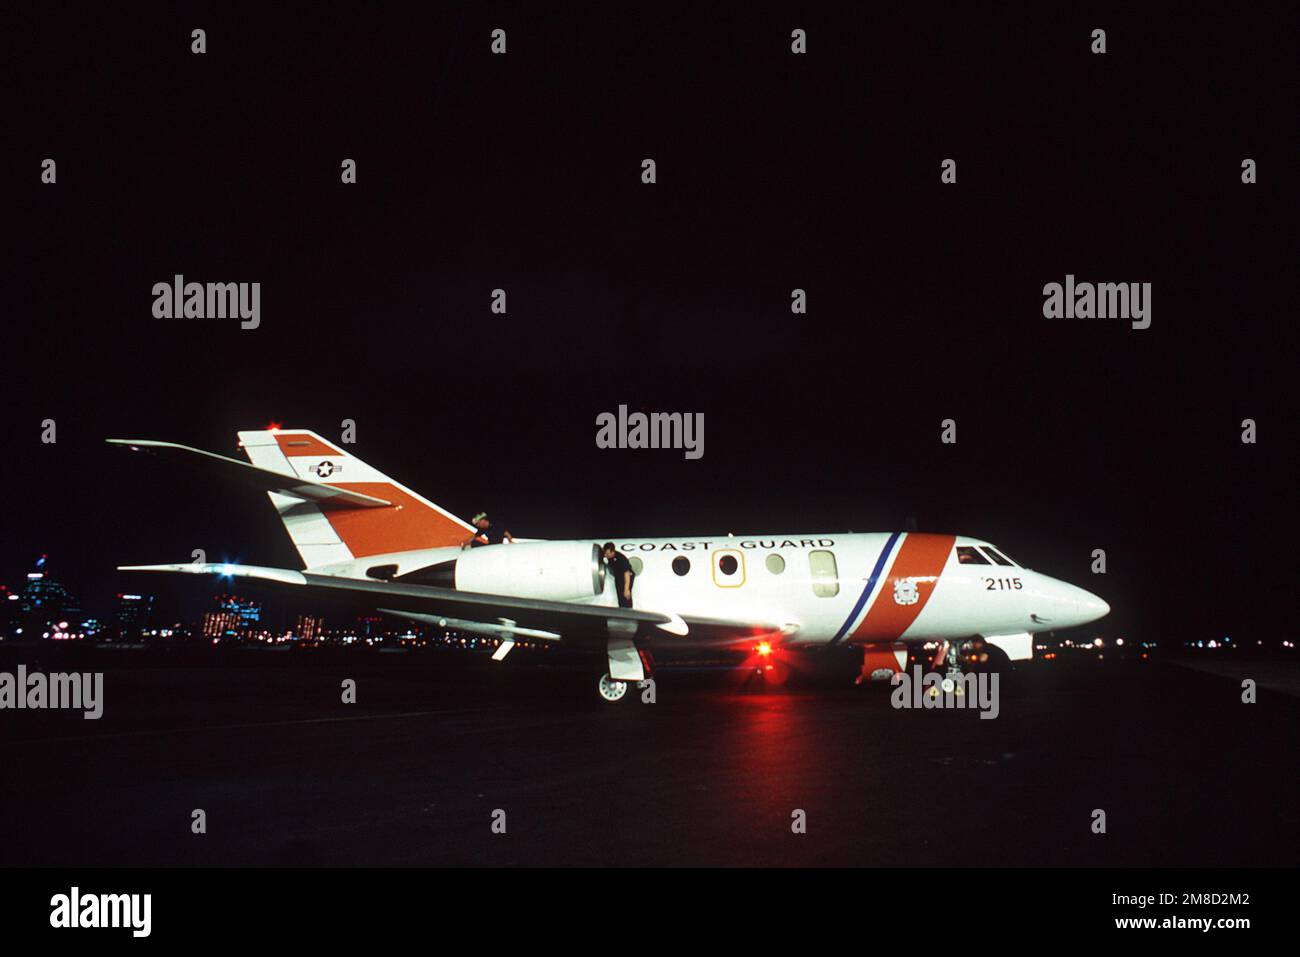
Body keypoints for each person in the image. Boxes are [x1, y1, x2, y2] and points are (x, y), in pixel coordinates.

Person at [602, 542, 635, 608]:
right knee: (620, 596)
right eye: (605, 553)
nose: (605, 555)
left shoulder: (621, 559)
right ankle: (621, 610)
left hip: (627, 577)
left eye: (607, 553)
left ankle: (629, 613)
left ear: (613, 552)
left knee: (625, 596)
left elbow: (626, 574)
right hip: (619, 576)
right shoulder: (608, 556)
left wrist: (626, 589)